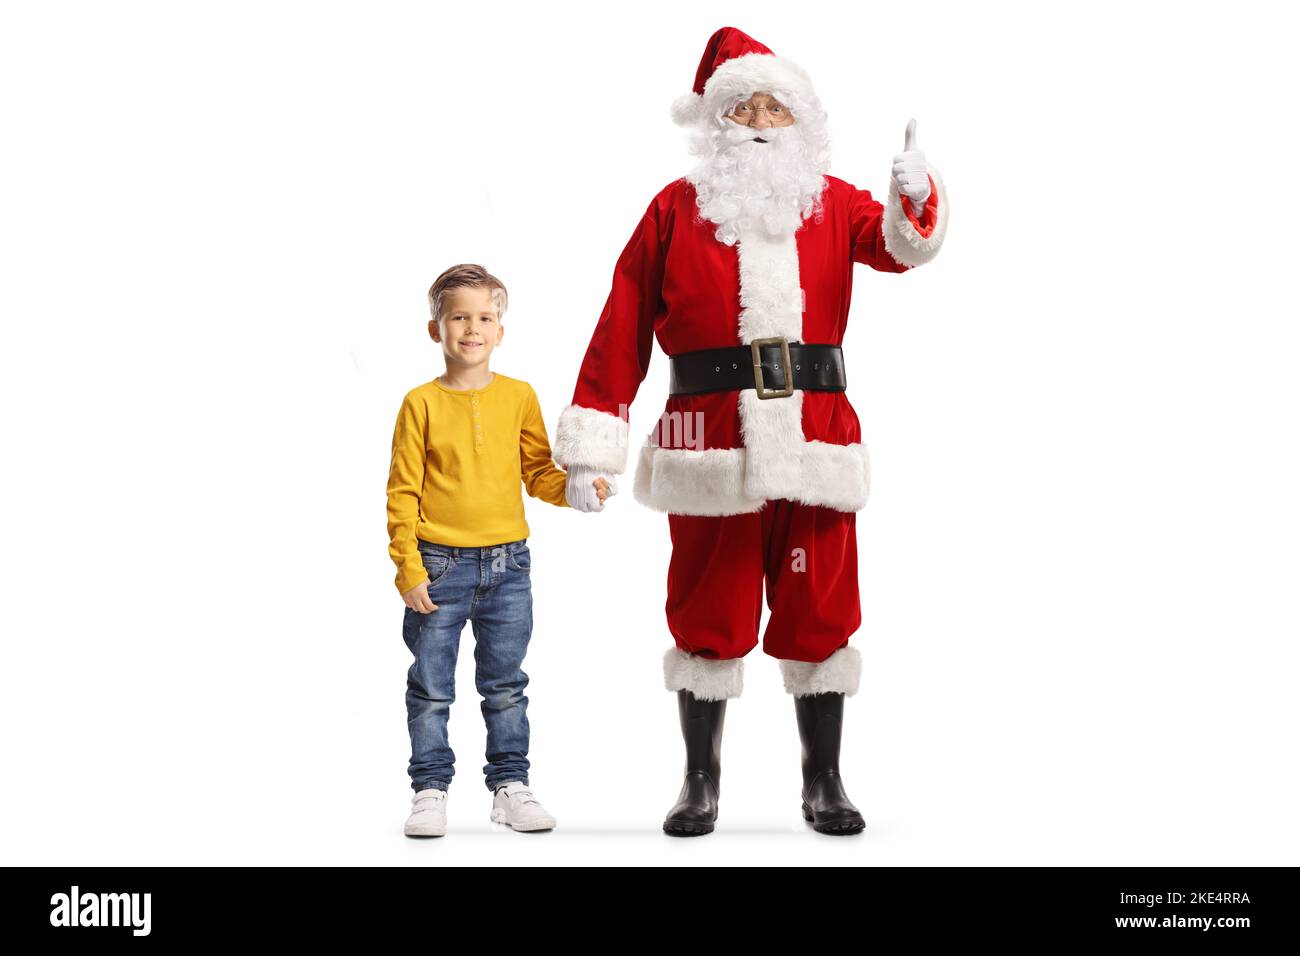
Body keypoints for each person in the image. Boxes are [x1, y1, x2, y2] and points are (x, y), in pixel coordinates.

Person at [551, 27, 949, 835]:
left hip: (815, 434)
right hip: (709, 438)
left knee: (820, 606)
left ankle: (824, 780)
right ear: (716, 123)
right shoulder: (673, 208)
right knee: (709, 608)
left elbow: (904, 250)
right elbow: (621, 324)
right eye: (744, 107)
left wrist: (915, 194)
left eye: (776, 105)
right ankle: (699, 782)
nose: (762, 119)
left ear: (801, 122)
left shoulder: (835, 202)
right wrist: (596, 442)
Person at [388, 263, 611, 837]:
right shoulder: (420, 404)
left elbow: (537, 472)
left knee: (506, 685)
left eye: (485, 317)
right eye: (458, 316)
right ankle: (429, 789)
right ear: (435, 328)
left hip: (509, 566)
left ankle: (510, 786)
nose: (472, 328)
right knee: (432, 688)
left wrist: (576, 491)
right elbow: (402, 492)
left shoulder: (519, 396)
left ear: (501, 331)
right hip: (439, 567)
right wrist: (409, 567)